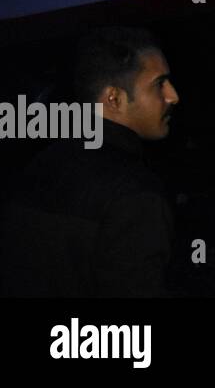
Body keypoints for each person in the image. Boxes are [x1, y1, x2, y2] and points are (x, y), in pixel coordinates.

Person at [0, 27, 180, 296]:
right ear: (114, 98)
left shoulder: (40, 163)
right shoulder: (136, 193)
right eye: (159, 84)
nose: (173, 96)